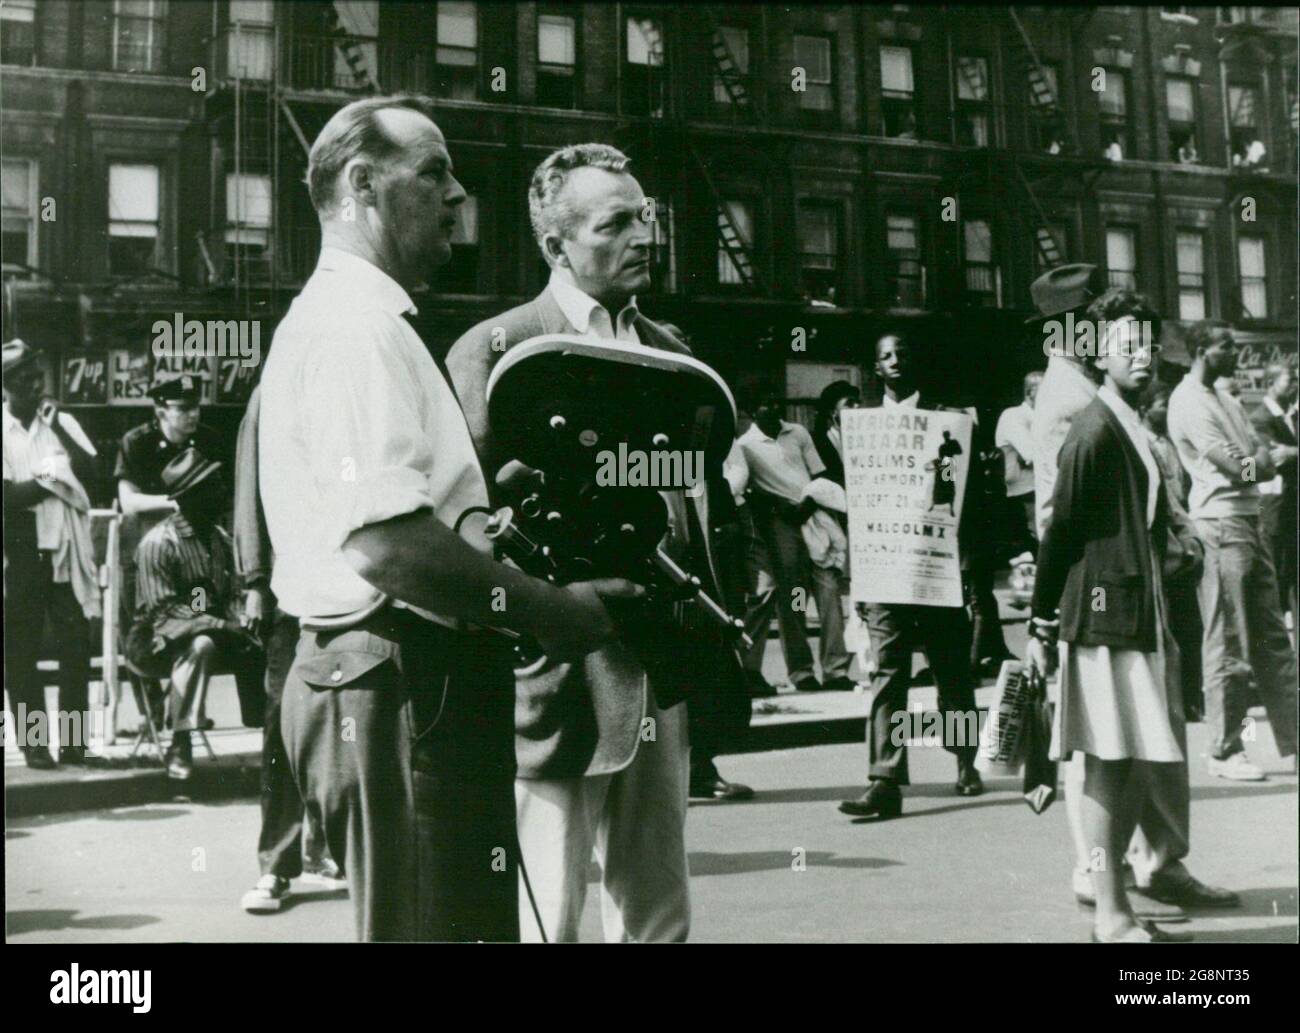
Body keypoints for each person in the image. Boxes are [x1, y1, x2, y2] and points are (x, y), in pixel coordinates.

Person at [259, 101, 628, 942]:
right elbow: (387, 542)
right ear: (361, 187)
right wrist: (549, 609)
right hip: (396, 677)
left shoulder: (363, 319)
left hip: (401, 675)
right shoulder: (356, 328)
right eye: (432, 172)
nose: (458, 194)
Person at [448, 142, 740, 942]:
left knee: (659, 905)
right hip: (554, 672)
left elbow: (695, 505)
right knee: (549, 905)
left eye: (646, 216)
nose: (646, 235)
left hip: (657, 665)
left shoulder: (673, 351)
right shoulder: (497, 350)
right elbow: (466, 525)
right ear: (556, 245)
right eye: (617, 223)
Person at [1030, 273, 1218, 920]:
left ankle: (1127, 894)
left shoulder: (1127, 416)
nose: (1142, 353)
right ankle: (1109, 904)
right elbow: (1062, 524)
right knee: (1110, 761)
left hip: (1140, 608)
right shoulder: (1086, 418)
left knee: (1136, 756)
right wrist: (1039, 620)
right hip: (1106, 612)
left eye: (1148, 341)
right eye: (1123, 340)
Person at [839, 333, 982, 819]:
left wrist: (966, 568)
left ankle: (965, 759)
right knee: (887, 671)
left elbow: (964, 502)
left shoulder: (950, 424)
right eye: (885, 355)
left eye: (904, 352)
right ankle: (885, 779)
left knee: (951, 670)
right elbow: (855, 506)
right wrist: (857, 576)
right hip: (883, 565)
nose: (896, 361)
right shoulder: (859, 428)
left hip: (934, 564)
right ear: (875, 368)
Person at [1167, 321, 1298, 781]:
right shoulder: (1186, 402)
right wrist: (1259, 463)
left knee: (1273, 637)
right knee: (1229, 641)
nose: (1234, 353)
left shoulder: (1226, 399)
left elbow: (1256, 452)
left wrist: (1256, 461)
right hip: (1219, 524)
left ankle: (1294, 739)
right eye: (1226, 346)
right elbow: (1243, 464)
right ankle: (1224, 749)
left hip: (1250, 520)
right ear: (1201, 350)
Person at [234, 385, 345, 912]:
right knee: (284, 723)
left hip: (363, 581)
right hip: (292, 589)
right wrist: (254, 578)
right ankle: (278, 864)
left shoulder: (365, 376)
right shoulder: (274, 393)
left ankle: (338, 851)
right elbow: (249, 487)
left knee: (355, 723)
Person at [126, 449, 265, 782]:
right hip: (155, 639)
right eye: (213, 486)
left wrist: (242, 618)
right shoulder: (159, 543)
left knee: (260, 639)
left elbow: (226, 594)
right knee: (201, 644)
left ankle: (266, 728)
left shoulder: (219, 540)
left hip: (206, 629)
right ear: (190, 497)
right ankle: (181, 741)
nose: (223, 493)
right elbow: (164, 610)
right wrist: (221, 625)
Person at [658, 323, 754, 803]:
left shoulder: (706, 410)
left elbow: (715, 475)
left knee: (712, 656)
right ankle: (685, 768)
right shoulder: (640, 406)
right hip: (666, 538)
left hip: (708, 538)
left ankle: (700, 764)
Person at [2, 340, 100, 768]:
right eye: (25, 381)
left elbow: (93, 470)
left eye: (37, 379)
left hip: (63, 552)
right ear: (6, 386)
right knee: (22, 652)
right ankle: (35, 745)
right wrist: (53, 476)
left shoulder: (58, 423)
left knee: (76, 647)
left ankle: (75, 744)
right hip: (21, 553)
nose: (36, 389)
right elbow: (7, 497)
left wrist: (60, 428)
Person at [114, 374, 223, 731]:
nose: (192, 415)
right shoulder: (138, 442)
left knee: (197, 615)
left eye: (195, 407)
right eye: (182, 408)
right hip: (143, 551)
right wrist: (179, 503)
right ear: (160, 411)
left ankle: (190, 707)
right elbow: (128, 501)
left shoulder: (206, 439)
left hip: (192, 555)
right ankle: (151, 712)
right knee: (145, 626)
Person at [735, 394, 855, 694]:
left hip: (815, 517)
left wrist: (811, 502)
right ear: (752, 409)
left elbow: (820, 474)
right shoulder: (746, 446)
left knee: (828, 591)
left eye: (777, 402)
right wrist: (781, 508)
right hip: (782, 526)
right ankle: (801, 672)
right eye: (767, 404)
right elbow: (751, 491)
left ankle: (835, 669)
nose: (775, 408)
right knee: (794, 599)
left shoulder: (798, 433)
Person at [1142, 384, 1205, 722]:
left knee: (1189, 625)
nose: (1166, 411)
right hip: (1164, 542)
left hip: (1182, 538)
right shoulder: (1142, 442)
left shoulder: (1172, 444)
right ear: (1146, 408)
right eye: (1161, 404)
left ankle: (1191, 697)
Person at [1250, 363, 1298, 630]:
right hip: (1278, 511)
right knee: (1278, 575)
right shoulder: (1260, 418)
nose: (1295, 385)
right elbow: (1272, 459)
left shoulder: (1292, 415)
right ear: (1270, 381)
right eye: (1289, 380)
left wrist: (1293, 453)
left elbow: (1286, 455)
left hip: (1292, 509)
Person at [995, 371, 1043, 555]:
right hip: (1024, 494)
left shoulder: (1042, 418)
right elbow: (1031, 454)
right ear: (1031, 392)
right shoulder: (1013, 416)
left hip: (1040, 490)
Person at [812, 380, 860, 487]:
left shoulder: (865, 440)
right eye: (850, 404)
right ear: (833, 412)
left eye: (858, 402)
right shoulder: (818, 443)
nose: (857, 407)